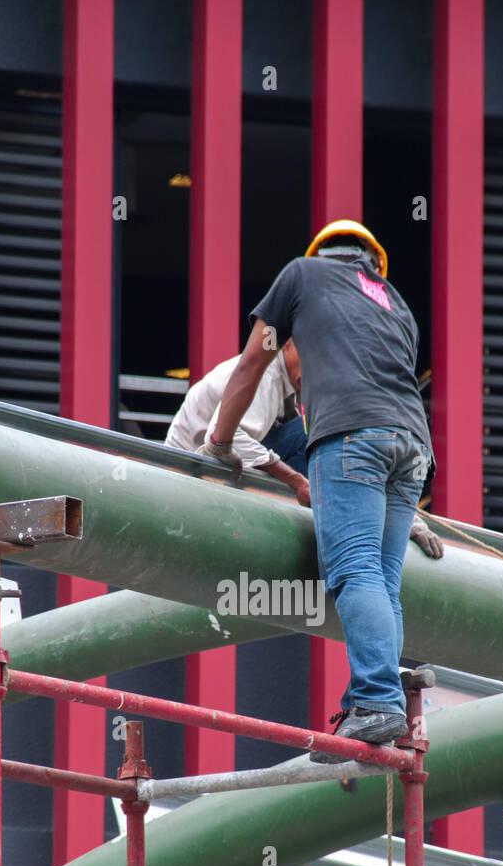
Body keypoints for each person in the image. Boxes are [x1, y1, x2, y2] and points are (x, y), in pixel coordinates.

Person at [202, 219, 437, 756]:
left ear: (321, 253)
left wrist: (220, 442)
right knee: (382, 579)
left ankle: (377, 701)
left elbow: (250, 366)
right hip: (412, 448)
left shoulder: (302, 276)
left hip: (353, 438)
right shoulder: (396, 304)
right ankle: (369, 705)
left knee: (353, 570)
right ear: (372, 261)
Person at [165, 339, 309, 501]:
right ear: (287, 344)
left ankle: (294, 502)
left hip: (209, 462)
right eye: (310, 357)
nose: (315, 373)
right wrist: (297, 482)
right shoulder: (265, 373)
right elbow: (225, 438)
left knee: (316, 428)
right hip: (193, 465)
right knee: (313, 431)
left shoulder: (288, 383)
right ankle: (292, 504)